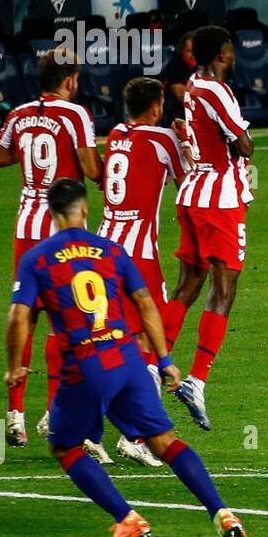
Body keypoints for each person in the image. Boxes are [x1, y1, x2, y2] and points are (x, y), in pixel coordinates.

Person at [5, 178, 247, 537]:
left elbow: (20, 317)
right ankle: (224, 513)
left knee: (64, 446)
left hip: (85, 366)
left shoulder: (37, 258)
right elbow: (146, 303)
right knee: (165, 442)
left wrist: (15, 367)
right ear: (85, 210)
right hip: (128, 360)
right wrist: (164, 359)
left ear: (50, 214)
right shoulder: (111, 250)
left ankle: (126, 519)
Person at [0, 50, 102, 449]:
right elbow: (91, 169)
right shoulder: (76, 115)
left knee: (25, 312)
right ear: (69, 79)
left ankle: (14, 415)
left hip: (26, 223)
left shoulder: (18, 115)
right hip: (61, 226)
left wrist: (30, 151)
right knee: (66, 318)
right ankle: (55, 411)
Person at [163, 25, 254, 431]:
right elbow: (244, 145)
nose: (234, 56)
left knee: (188, 284)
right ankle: (197, 378)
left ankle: (157, 362)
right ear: (221, 54)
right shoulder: (216, 90)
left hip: (192, 191)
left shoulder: (194, 84)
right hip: (220, 199)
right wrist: (243, 135)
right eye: (230, 49)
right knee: (224, 287)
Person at [96, 76, 190, 468]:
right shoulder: (162, 139)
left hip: (102, 246)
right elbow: (190, 178)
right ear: (156, 107)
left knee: (111, 338)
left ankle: (87, 423)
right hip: (138, 253)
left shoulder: (116, 133)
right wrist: (184, 139)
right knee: (152, 337)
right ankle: (135, 435)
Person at [159, 32, 197, 124]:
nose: (193, 55)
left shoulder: (201, 66)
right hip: (174, 117)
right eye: (189, 51)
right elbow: (181, 95)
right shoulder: (174, 66)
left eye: (196, 51)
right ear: (181, 51)